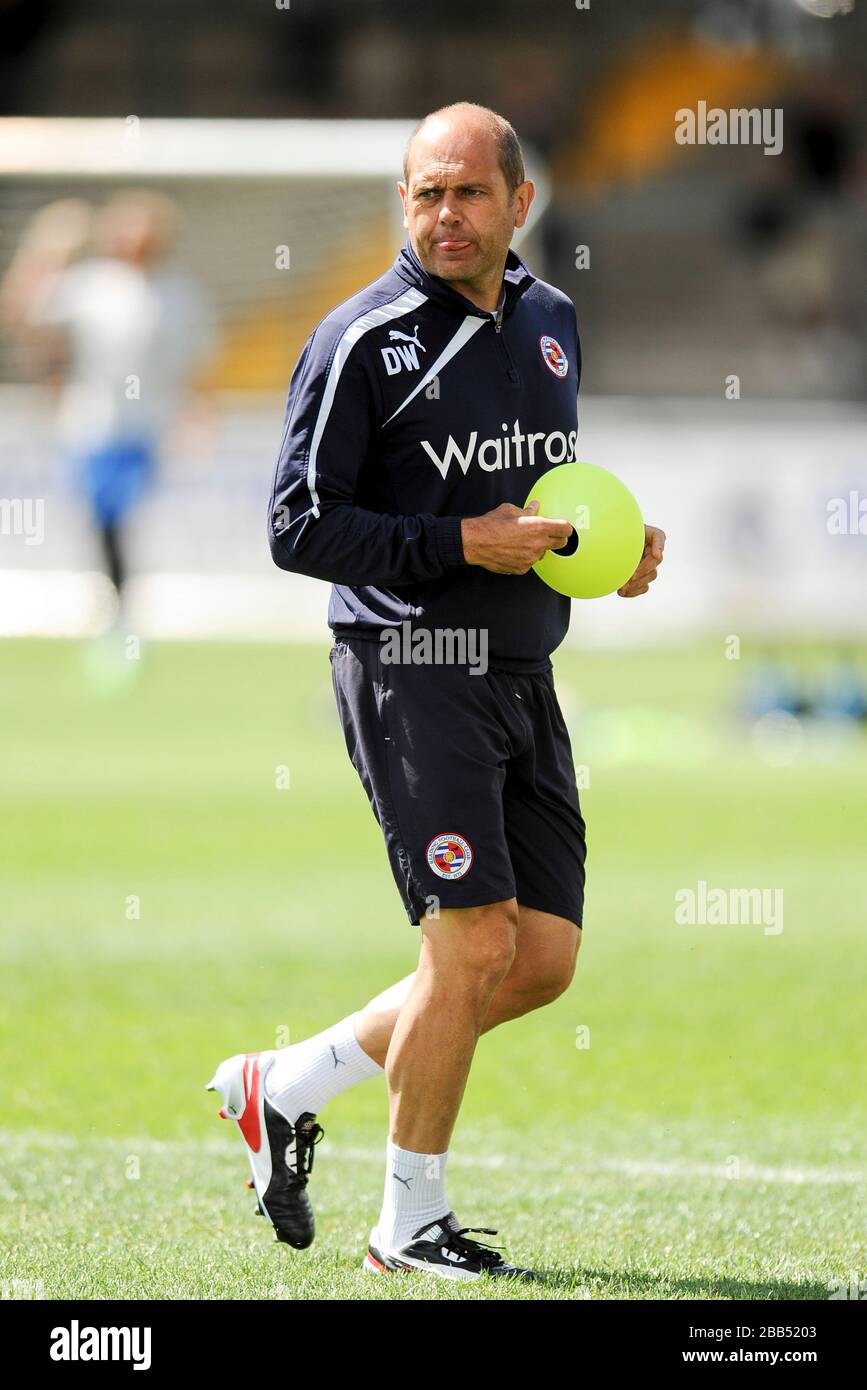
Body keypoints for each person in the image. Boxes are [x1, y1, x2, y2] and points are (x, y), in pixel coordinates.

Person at [207, 102, 665, 1283]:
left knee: (542, 956)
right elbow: (297, 526)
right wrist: (465, 544)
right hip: (410, 671)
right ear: (403, 204)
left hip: (523, 667)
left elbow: (538, 494)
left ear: (521, 202)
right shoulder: (361, 339)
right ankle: (407, 1225)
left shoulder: (554, 323)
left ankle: (286, 1083)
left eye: (468, 192)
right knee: (467, 945)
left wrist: (605, 548)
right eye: (424, 193)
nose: (445, 215)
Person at [4, 190, 215, 619]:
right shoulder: (89, 284)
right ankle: (117, 609)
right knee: (106, 516)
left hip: (149, 425)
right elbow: (22, 313)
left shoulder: (179, 294)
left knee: (126, 517)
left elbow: (197, 359)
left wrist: (197, 411)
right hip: (93, 424)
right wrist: (45, 249)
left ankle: (123, 607)